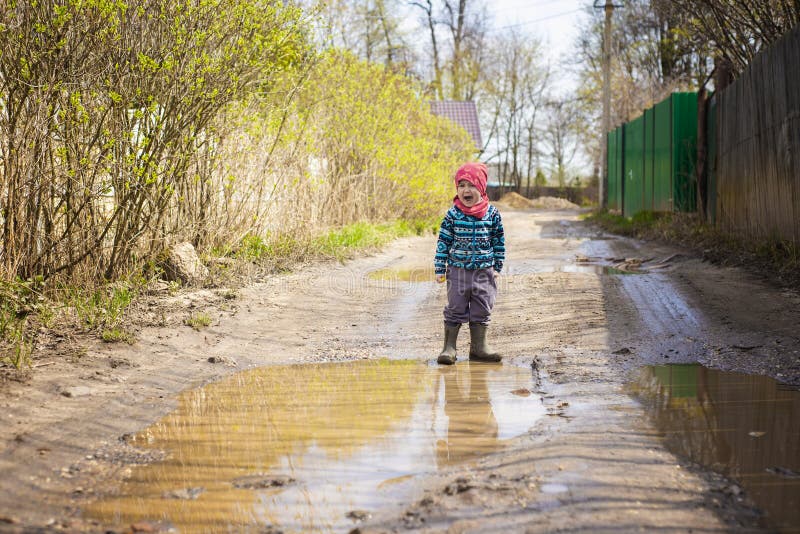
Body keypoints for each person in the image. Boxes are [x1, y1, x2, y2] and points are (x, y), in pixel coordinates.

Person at [434, 162, 505, 365]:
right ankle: (449, 348)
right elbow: (443, 242)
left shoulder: (492, 214)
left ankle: (479, 348)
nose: (466, 190)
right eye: (462, 185)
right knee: (456, 306)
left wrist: (497, 266)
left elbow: (498, 241)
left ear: (482, 188)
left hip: (484, 271)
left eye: (472, 185)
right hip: (458, 270)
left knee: (483, 307)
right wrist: (440, 267)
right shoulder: (453, 215)